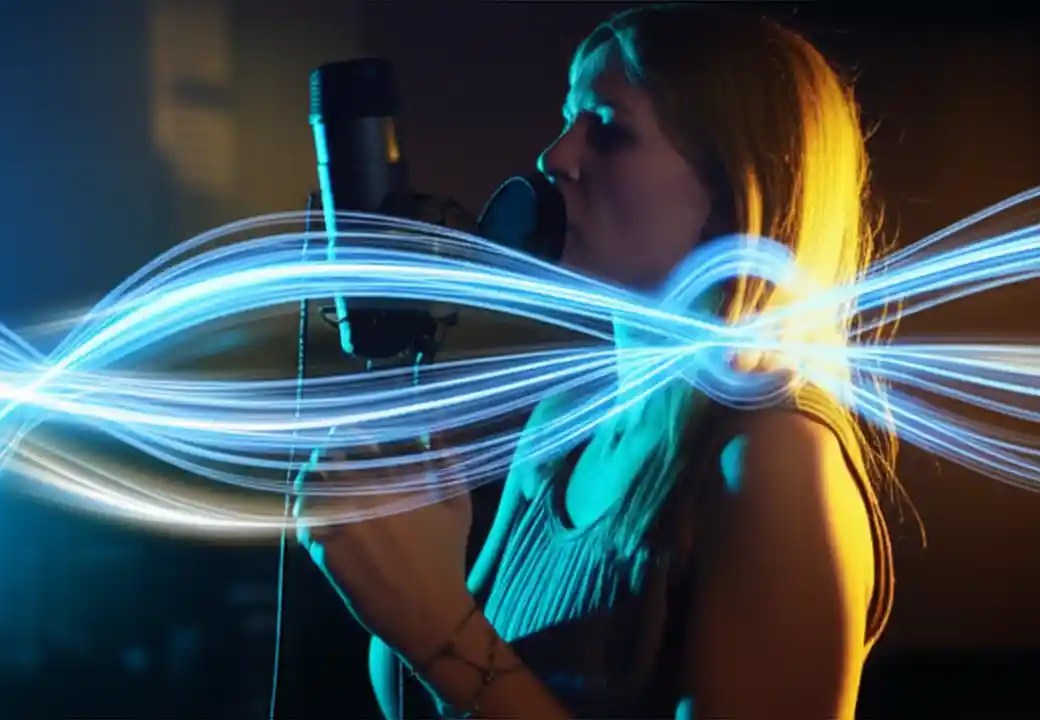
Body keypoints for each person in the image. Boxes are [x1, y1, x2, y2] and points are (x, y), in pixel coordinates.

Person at [293, 5, 904, 718]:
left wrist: (434, 623)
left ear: (734, 193)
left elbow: (449, 649)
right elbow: (438, 688)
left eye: (609, 131)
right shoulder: (563, 434)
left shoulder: (772, 463)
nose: (554, 158)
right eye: (567, 121)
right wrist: (399, 567)